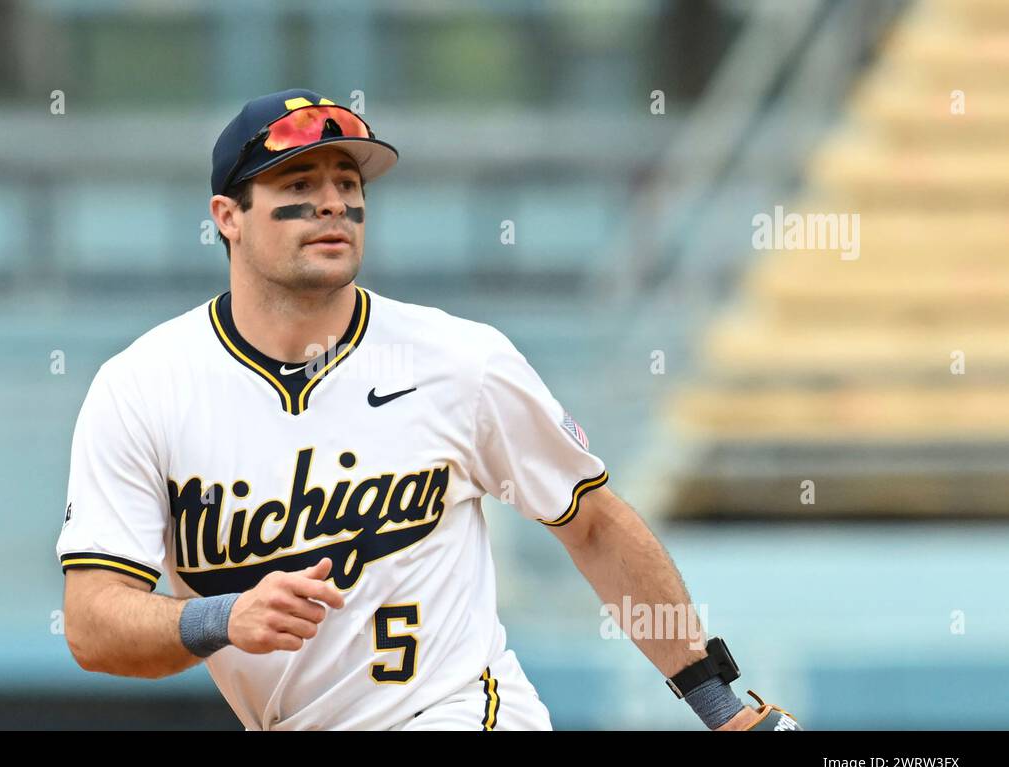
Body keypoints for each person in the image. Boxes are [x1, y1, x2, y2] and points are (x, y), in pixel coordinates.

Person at [55, 89, 800, 731]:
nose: (332, 201)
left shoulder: (457, 360)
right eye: (296, 178)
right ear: (229, 216)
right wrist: (221, 617)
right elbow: (92, 624)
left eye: (349, 181)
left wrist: (716, 701)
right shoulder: (143, 388)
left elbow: (594, 523)